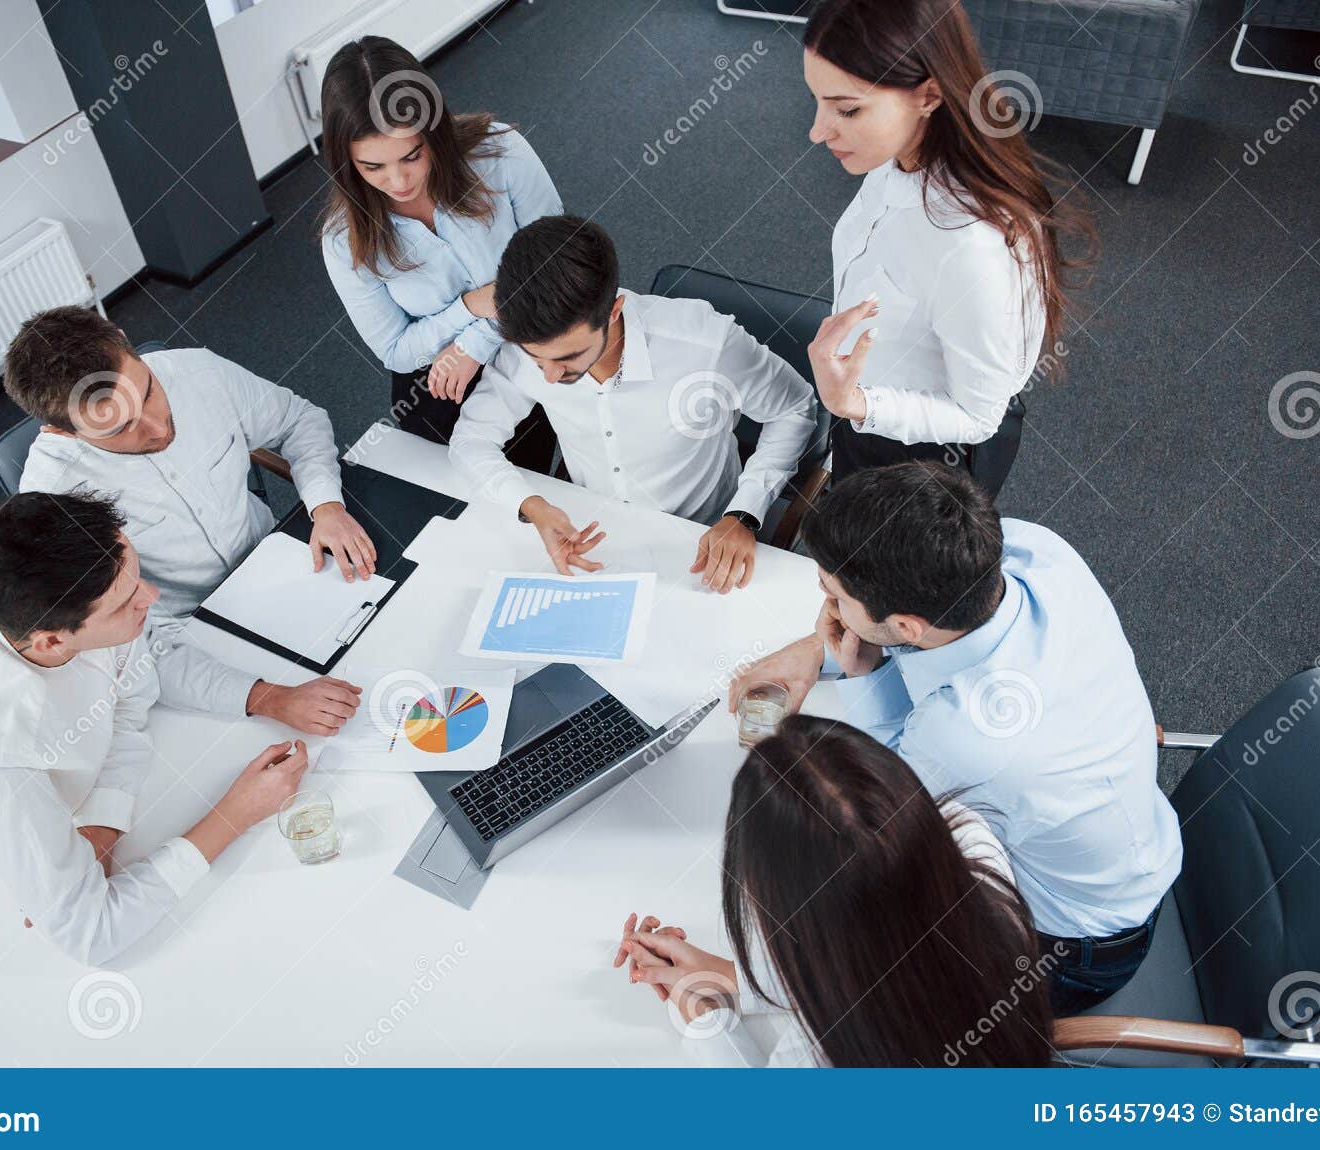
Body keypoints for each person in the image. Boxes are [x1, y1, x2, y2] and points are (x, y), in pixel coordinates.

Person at [728, 462, 1181, 1014]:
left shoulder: (965, 737)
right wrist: (813, 650)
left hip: (1075, 952)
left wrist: (860, 676)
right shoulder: (1036, 551)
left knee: (859, 974)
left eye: (834, 595)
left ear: (908, 628)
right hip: (1139, 846)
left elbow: (880, 817)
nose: (826, 606)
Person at [0, 492, 308, 965]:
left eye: (136, 576)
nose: (152, 598)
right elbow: (90, 934)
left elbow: (130, 695)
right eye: (125, 602)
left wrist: (102, 827)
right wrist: (234, 815)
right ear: (52, 640)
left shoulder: (51, 598)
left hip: (84, 804)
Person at [7, 306, 367, 738]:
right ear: (61, 432)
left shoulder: (197, 371)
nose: (157, 428)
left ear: (125, 341)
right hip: (188, 635)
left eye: (148, 393)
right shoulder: (53, 497)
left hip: (289, 559)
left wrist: (326, 505)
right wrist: (269, 698)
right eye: (120, 429)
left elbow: (298, 420)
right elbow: (132, 648)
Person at [613, 717, 1052, 1067]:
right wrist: (733, 978)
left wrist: (706, 1023)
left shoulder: (817, 1056)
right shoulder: (971, 841)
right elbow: (879, 943)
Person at [797, 0, 1095, 490]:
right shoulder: (890, 160)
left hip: (925, 463)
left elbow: (978, 418)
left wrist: (857, 405)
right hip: (863, 412)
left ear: (929, 95)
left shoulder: (973, 248)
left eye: (847, 109)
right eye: (817, 99)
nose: (816, 131)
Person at [449, 215, 816, 594]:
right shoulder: (525, 344)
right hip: (594, 534)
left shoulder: (704, 341)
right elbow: (470, 440)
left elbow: (795, 408)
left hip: (700, 541)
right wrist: (530, 505)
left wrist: (744, 514)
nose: (549, 378)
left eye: (568, 358)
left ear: (613, 310)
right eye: (537, 359)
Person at [319, 35, 559, 471]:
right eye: (372, 167)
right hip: (437, 384)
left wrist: (475, 341)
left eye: (411, 155)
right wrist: (472, 304)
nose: (398, 181)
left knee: (542, 488)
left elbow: (554, 259)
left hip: (536, 346)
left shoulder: (499, 151)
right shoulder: (343, 239)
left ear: (434, 131)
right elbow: (396, 350)